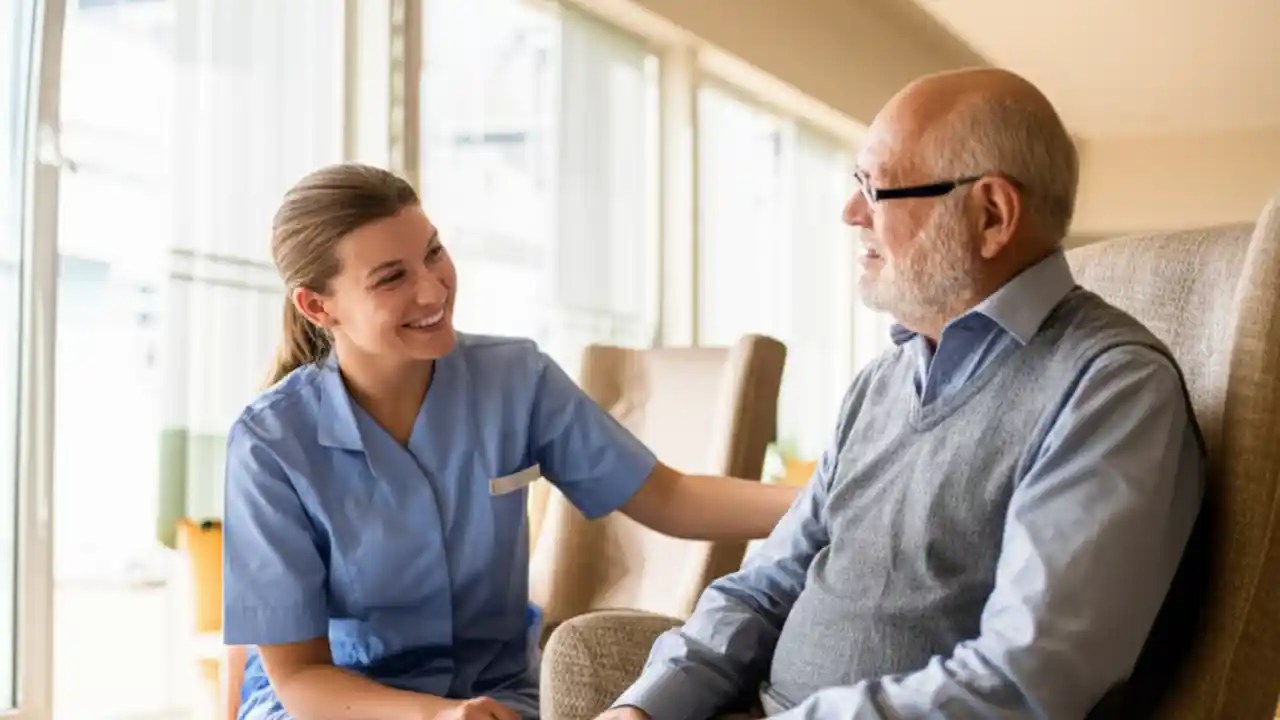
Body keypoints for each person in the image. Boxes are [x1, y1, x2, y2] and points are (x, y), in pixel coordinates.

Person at [599, 68, 1205, 719]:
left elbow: (1026, 680)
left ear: (992, 214)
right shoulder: (882, 381)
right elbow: (766, 586)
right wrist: (644, 708)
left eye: (876, 187)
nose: (851, 212)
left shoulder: (1111, 389)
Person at [221, 163, 799, 720]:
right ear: (318, 306)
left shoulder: (515, 379)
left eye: (433, 252)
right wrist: (437, 715)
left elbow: (668, 497)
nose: (433, 289)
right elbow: (299, 678)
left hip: (498, 697)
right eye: (392, 277)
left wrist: (827, 501)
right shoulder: (270, 443)